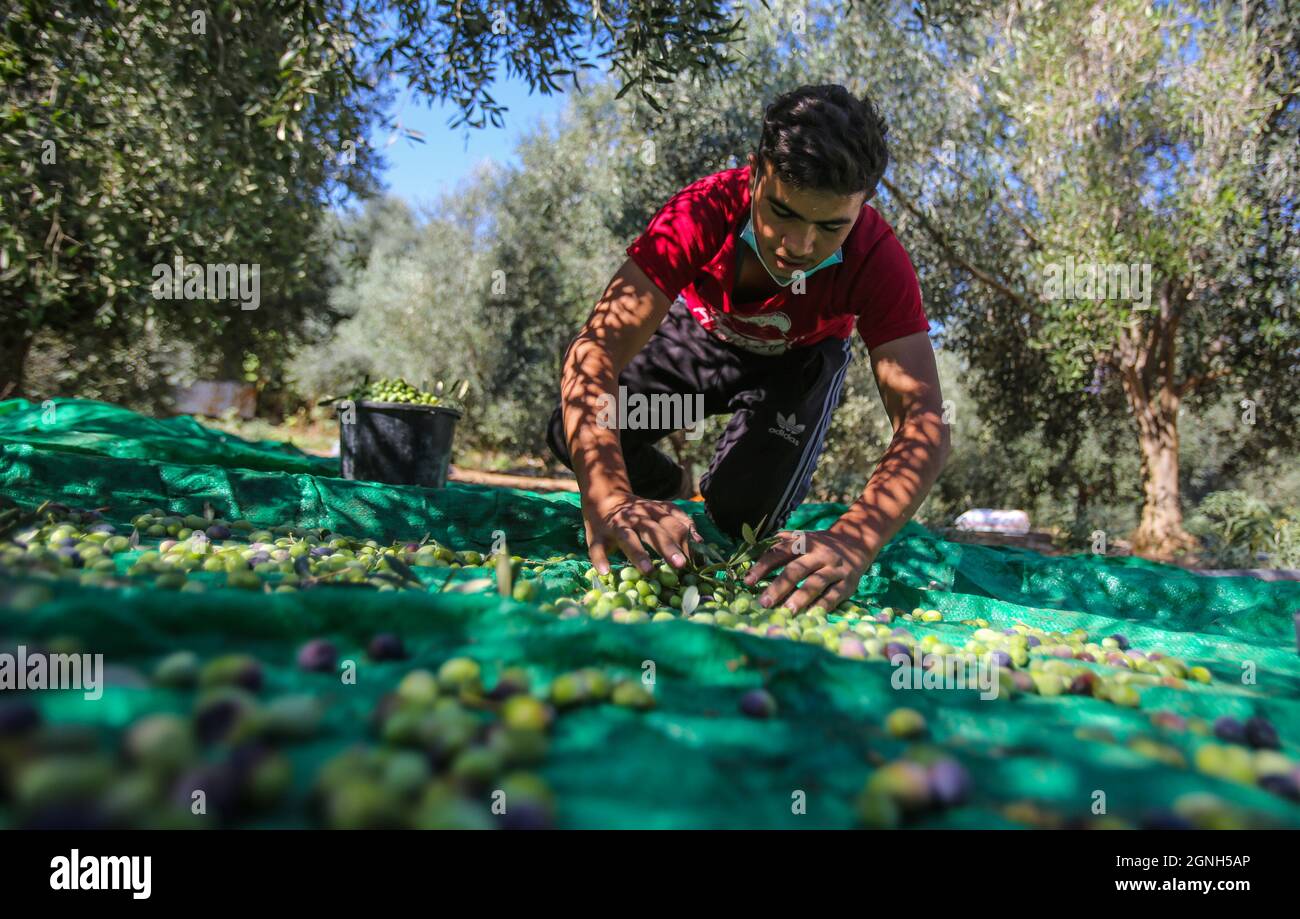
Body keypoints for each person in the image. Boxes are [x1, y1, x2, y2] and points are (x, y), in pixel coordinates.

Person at [547, 84, 950, 613]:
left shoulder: (879, 259)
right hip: (696, 340)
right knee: (572, 432)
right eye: (782, 212)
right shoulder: (702, 210)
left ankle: (715, 497)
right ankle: (667, 485)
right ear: (757, 170)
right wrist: (611, 496)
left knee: (742, 522)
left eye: (831, 226)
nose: (799, 247)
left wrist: (854, 539)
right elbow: (595, 351)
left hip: (795, 366)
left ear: (864, 203)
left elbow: (924, 425)